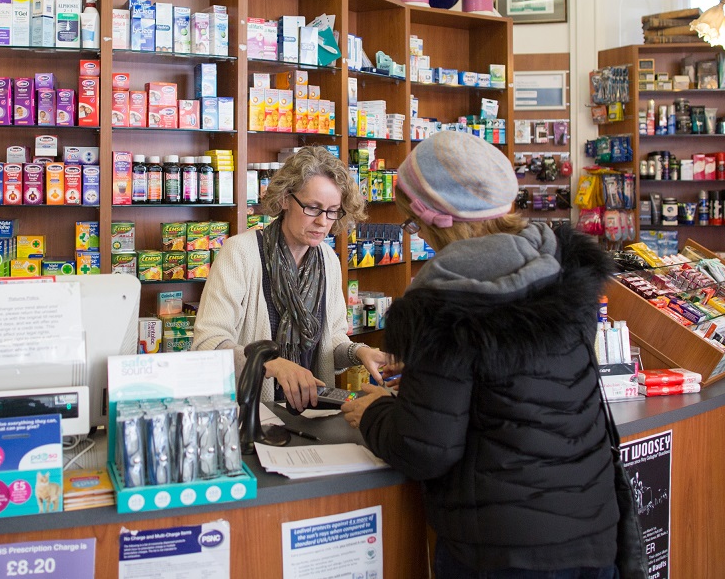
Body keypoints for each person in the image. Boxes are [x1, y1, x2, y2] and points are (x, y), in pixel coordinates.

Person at [340, 132, 620, 579]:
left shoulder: (445, 301)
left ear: (435, 219)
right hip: (592, 529)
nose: (417, 235)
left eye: (413, 223)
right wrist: (433, 373)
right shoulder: (556, 267)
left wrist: (376, 412)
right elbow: (523, 389)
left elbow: (424, 448)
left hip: (501, 549)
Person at [193, 146, 389, 410]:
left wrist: (360, 352)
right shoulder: (241, 253)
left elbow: (331, 343)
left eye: (333, 211)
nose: (323, 222)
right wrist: (269, 364)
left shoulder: (328, 260)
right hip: (251, 412)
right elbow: (208, 344)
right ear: (285, 199)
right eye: (313, 208)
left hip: (312, 411)